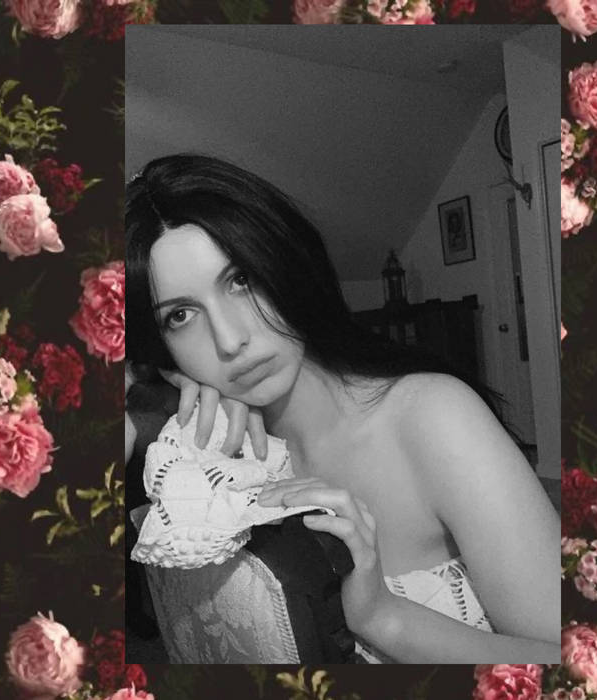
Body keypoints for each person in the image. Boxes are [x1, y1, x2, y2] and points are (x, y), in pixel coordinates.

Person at [125, 153, 560, 663]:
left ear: (285, 262)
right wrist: (142, 393)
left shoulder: (435, 419)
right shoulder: (195, 456)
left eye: (241, 279)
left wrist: (383, 617)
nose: (229, 340)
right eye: (180, 316)